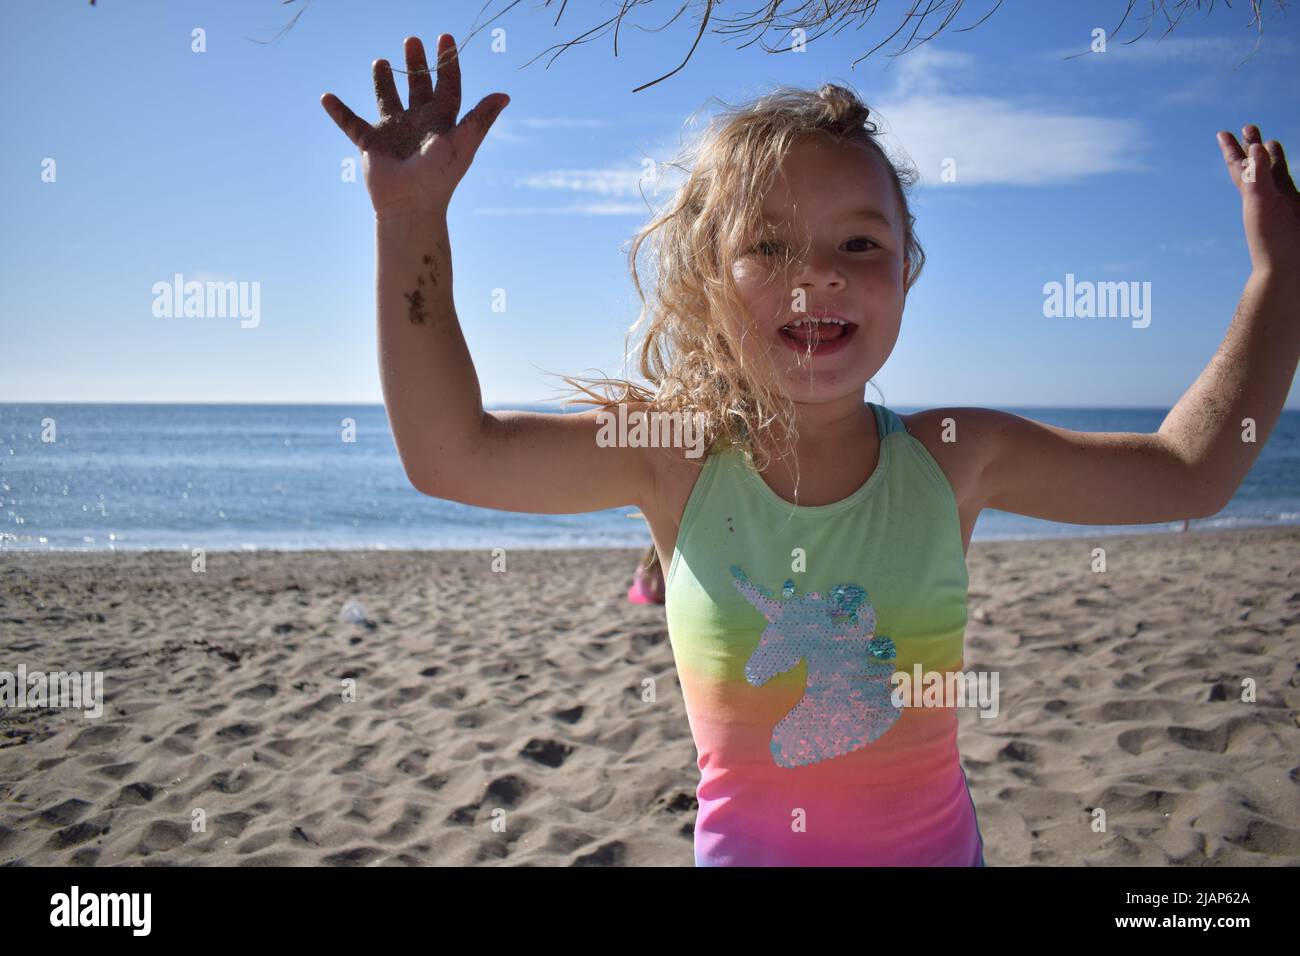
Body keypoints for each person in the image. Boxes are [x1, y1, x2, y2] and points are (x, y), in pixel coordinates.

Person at [322, 33, 1299, 865]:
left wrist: (1275, 274)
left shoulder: (957, 456)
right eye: (772, 247)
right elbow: (450, 454)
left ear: (906, 274)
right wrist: (410, 221)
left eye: (860, 246)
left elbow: (1190, 470)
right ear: (708, 276)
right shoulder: (671, 458)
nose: (818, 278)